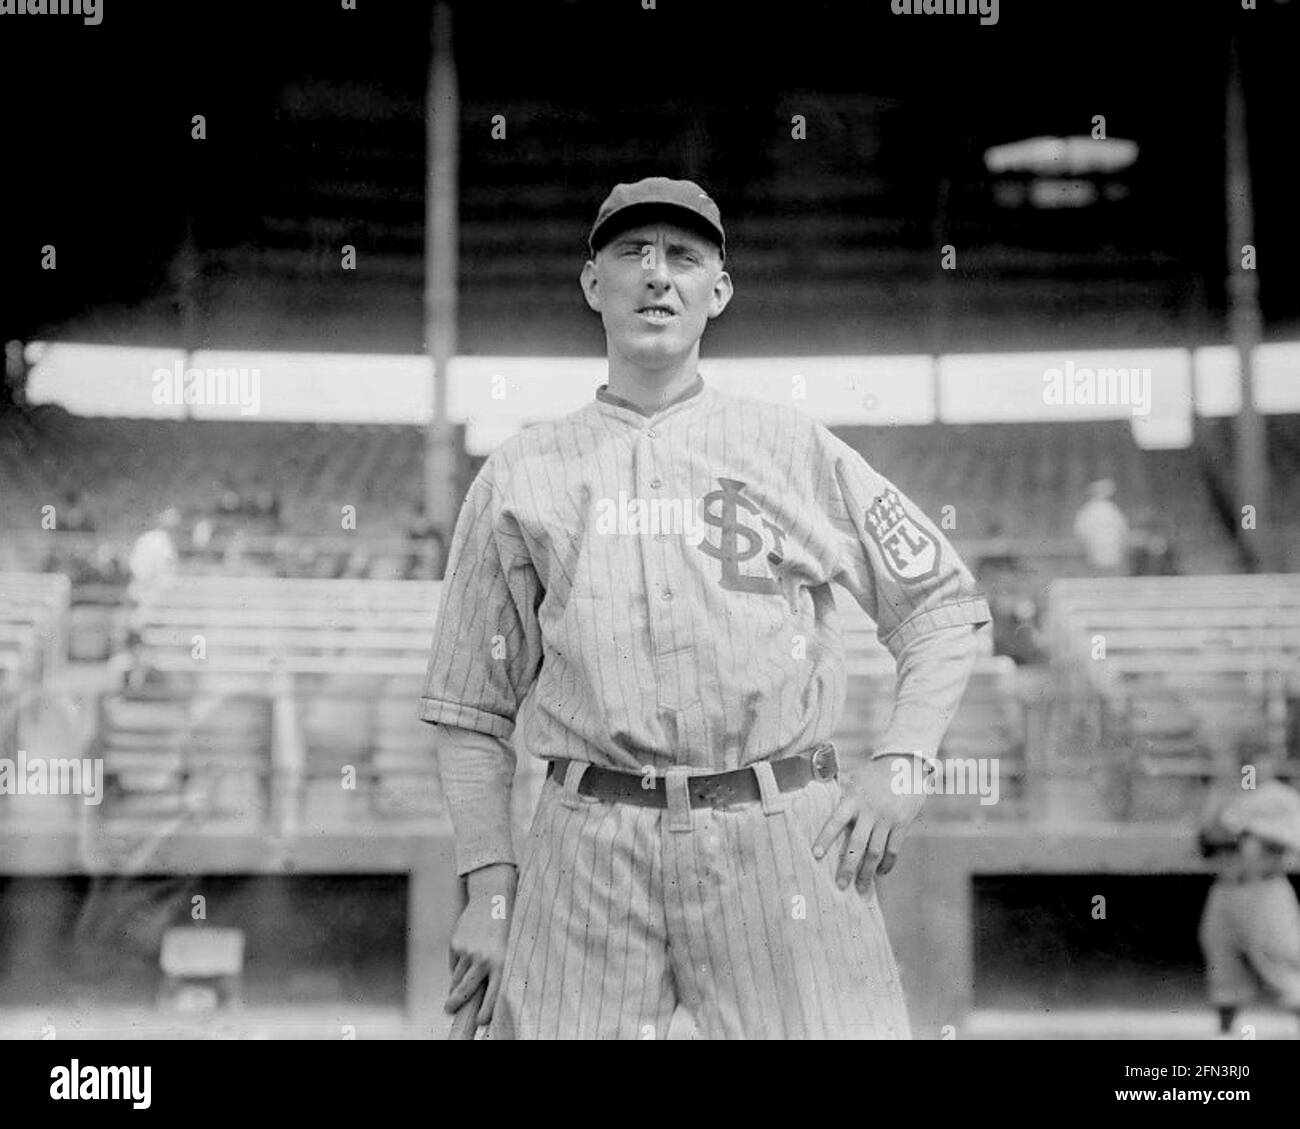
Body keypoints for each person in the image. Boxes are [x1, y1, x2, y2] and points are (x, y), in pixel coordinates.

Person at [420, 177, 991, 1039]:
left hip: (781, 830)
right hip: (588, 842)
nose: (658, 277)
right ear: (592, 284)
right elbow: (471, 708)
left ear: (717, 291)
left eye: (684, 257)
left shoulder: (792, 446)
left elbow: (941, 604)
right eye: (632, 254)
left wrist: (904, 763)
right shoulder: (521, 472)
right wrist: (492, 892)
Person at [1197, 779, 1300, 1038]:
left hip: (1265, 888)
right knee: (1219, 950)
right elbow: (1204, 844)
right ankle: (1225, 1030)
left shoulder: (1279, 795)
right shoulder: (1222, 792)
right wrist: (1222, 829)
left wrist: (1247, 828)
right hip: (1226, 886)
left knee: (1280, 958)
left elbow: (1291, 839)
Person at [1072, 478, 1130, 576]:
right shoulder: (1088, 510)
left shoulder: (1112, 508)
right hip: (1095, 547)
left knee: (1111, 573)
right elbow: (1081, 530)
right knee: (1098, 572)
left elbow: (1122, 529)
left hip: (1112, 547)